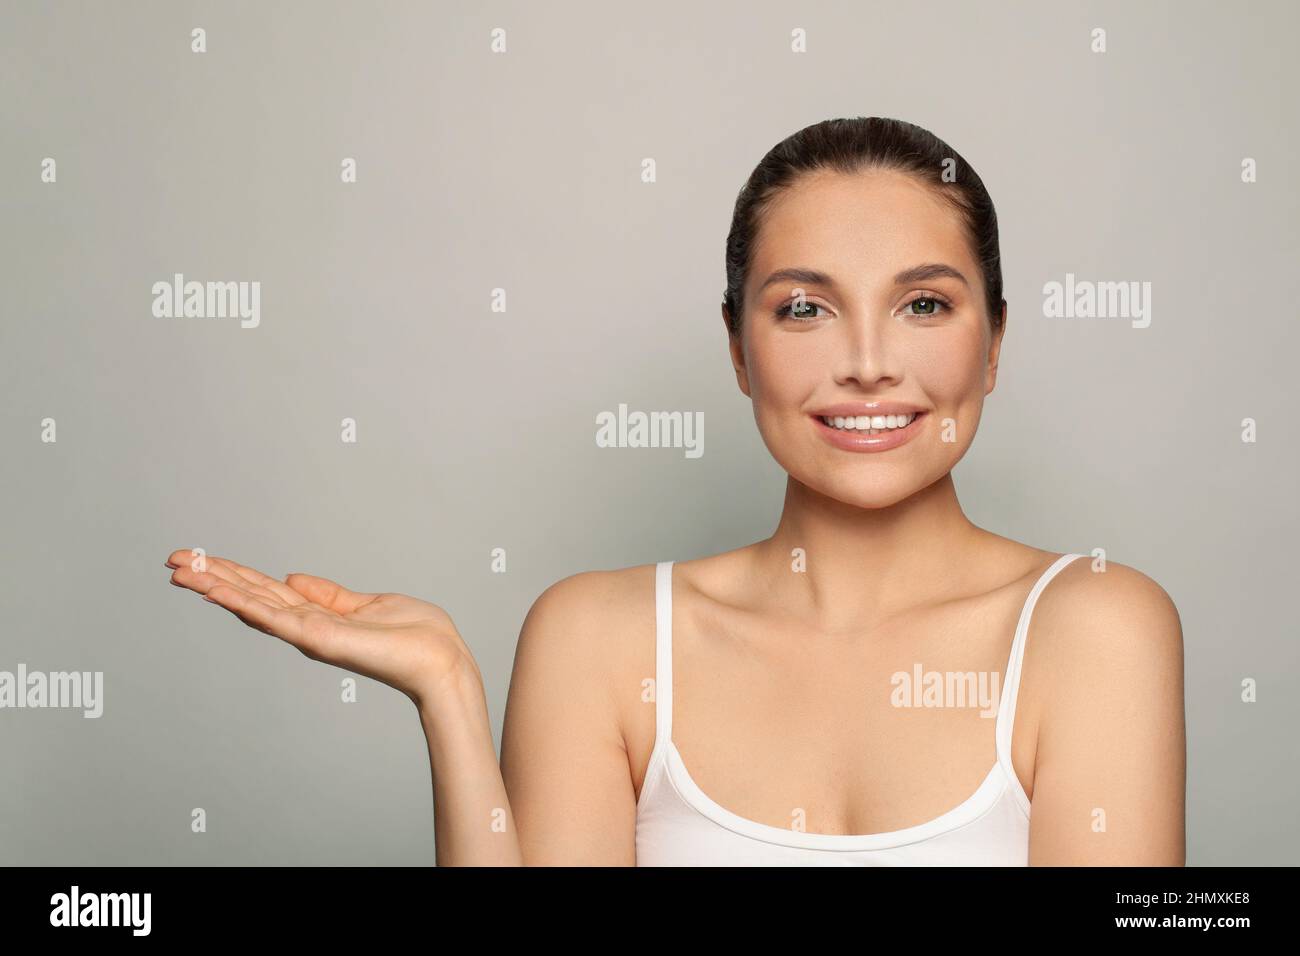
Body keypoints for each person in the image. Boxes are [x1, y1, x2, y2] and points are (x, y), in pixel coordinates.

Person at [164, 117, 1186, 866]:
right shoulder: (596, 639)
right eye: (804, 309)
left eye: (923, 303)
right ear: (739, 349)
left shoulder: (1097, 627)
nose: (869, 363)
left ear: (994, 342)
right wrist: (450, 698)